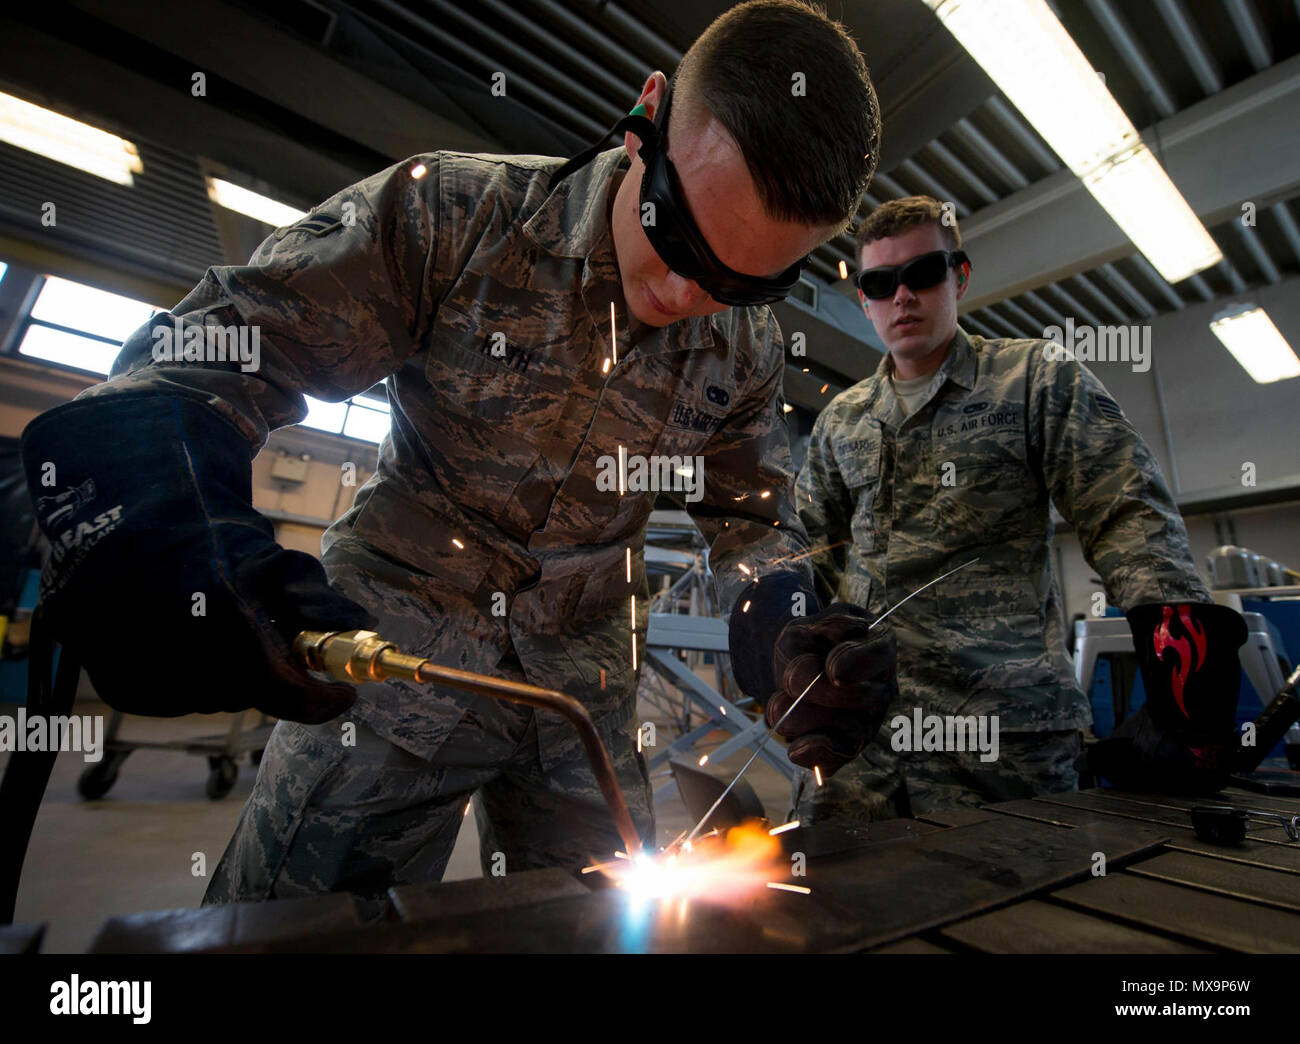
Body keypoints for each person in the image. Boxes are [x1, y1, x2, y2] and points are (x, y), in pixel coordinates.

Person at [19, 0, 887, 910]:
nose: (683, 293)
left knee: (611, 918)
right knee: (300, 932)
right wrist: (169, 513)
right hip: (390, 659)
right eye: (676, 234)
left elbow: (752, 524)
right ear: (646, 117)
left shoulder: (744, 350)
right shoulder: (454, 216)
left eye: (741, 283)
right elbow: (210, 354)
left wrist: (787, 627)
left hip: (584, 687)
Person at [776, 194, 1246, 827]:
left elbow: (1124, 506)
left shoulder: (1034, 379)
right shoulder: (842, 419)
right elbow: (811, 552)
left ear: (959, 276)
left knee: (1020, 920)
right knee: (835, 911)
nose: (903, 297)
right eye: (881, 284)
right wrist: (788, 647)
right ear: (863, 298)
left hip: (1003, 741)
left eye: (923, 274)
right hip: (864, 748)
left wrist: (1175, 639)